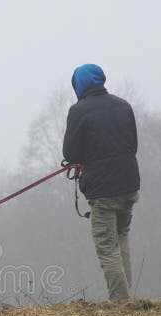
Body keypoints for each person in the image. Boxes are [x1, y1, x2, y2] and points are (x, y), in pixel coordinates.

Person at [62, 64, 140, 302]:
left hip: (104, 192)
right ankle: (126, 298)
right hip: (129, 185)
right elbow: (132, 145)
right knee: (121, 237)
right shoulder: (123, 105)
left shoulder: (79, 111)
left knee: (107, 247)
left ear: (79, 85)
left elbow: (71, 153)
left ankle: (121, 303)